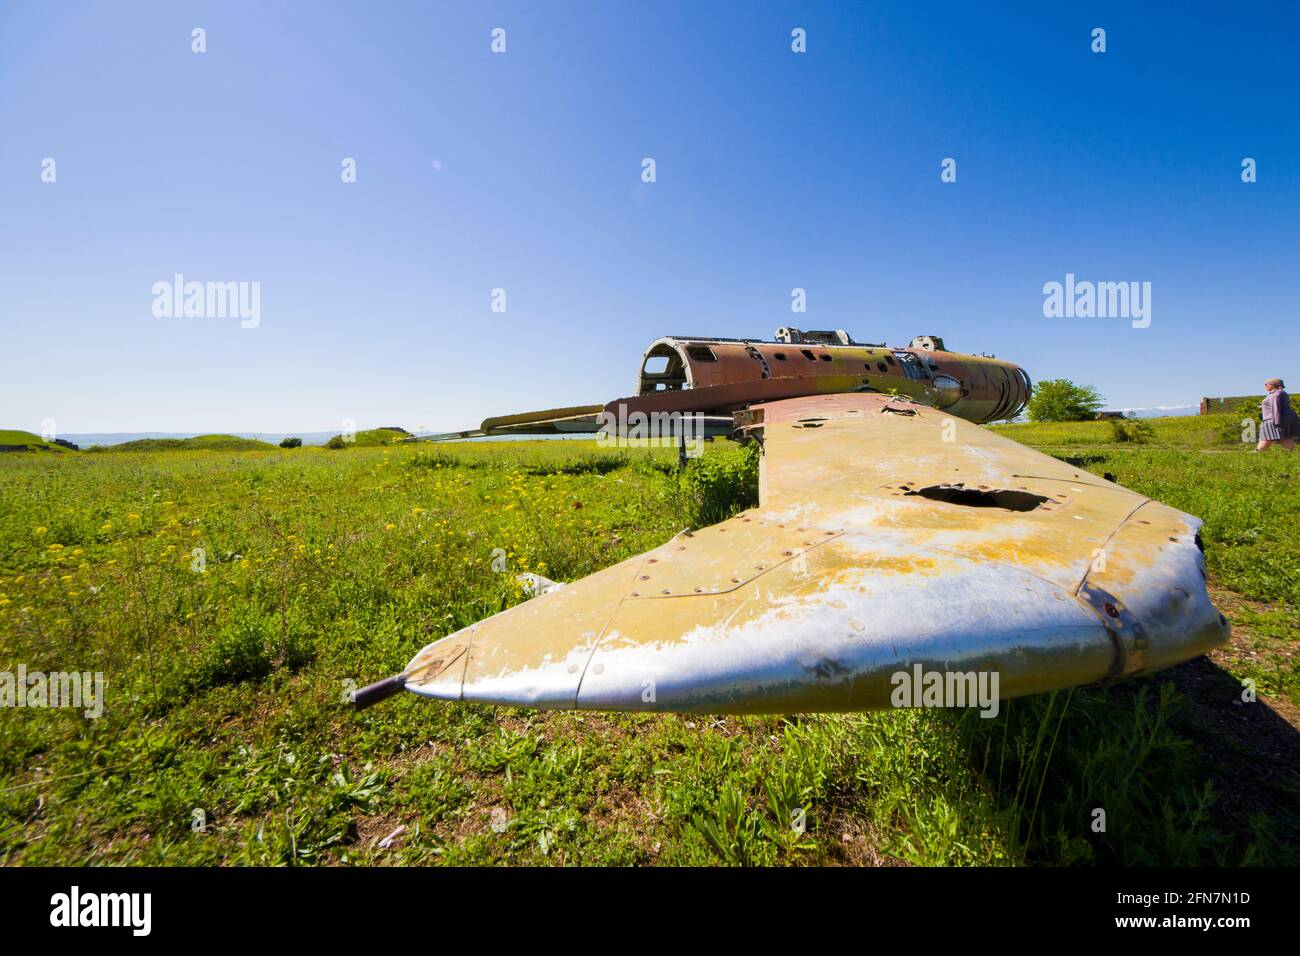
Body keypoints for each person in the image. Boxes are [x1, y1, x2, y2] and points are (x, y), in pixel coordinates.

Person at [1257, 378, 1299, 451]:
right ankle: (1290, 453)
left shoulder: (1276, 394)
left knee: (1267, 437)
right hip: (1284, 417)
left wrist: (1276, 422)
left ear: (1273, 385)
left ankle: (1258, 452)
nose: (1265, 386)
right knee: (1285, 437)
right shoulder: (1280, 392)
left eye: (1266, 384)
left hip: (1274, 419)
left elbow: (1275, 407)